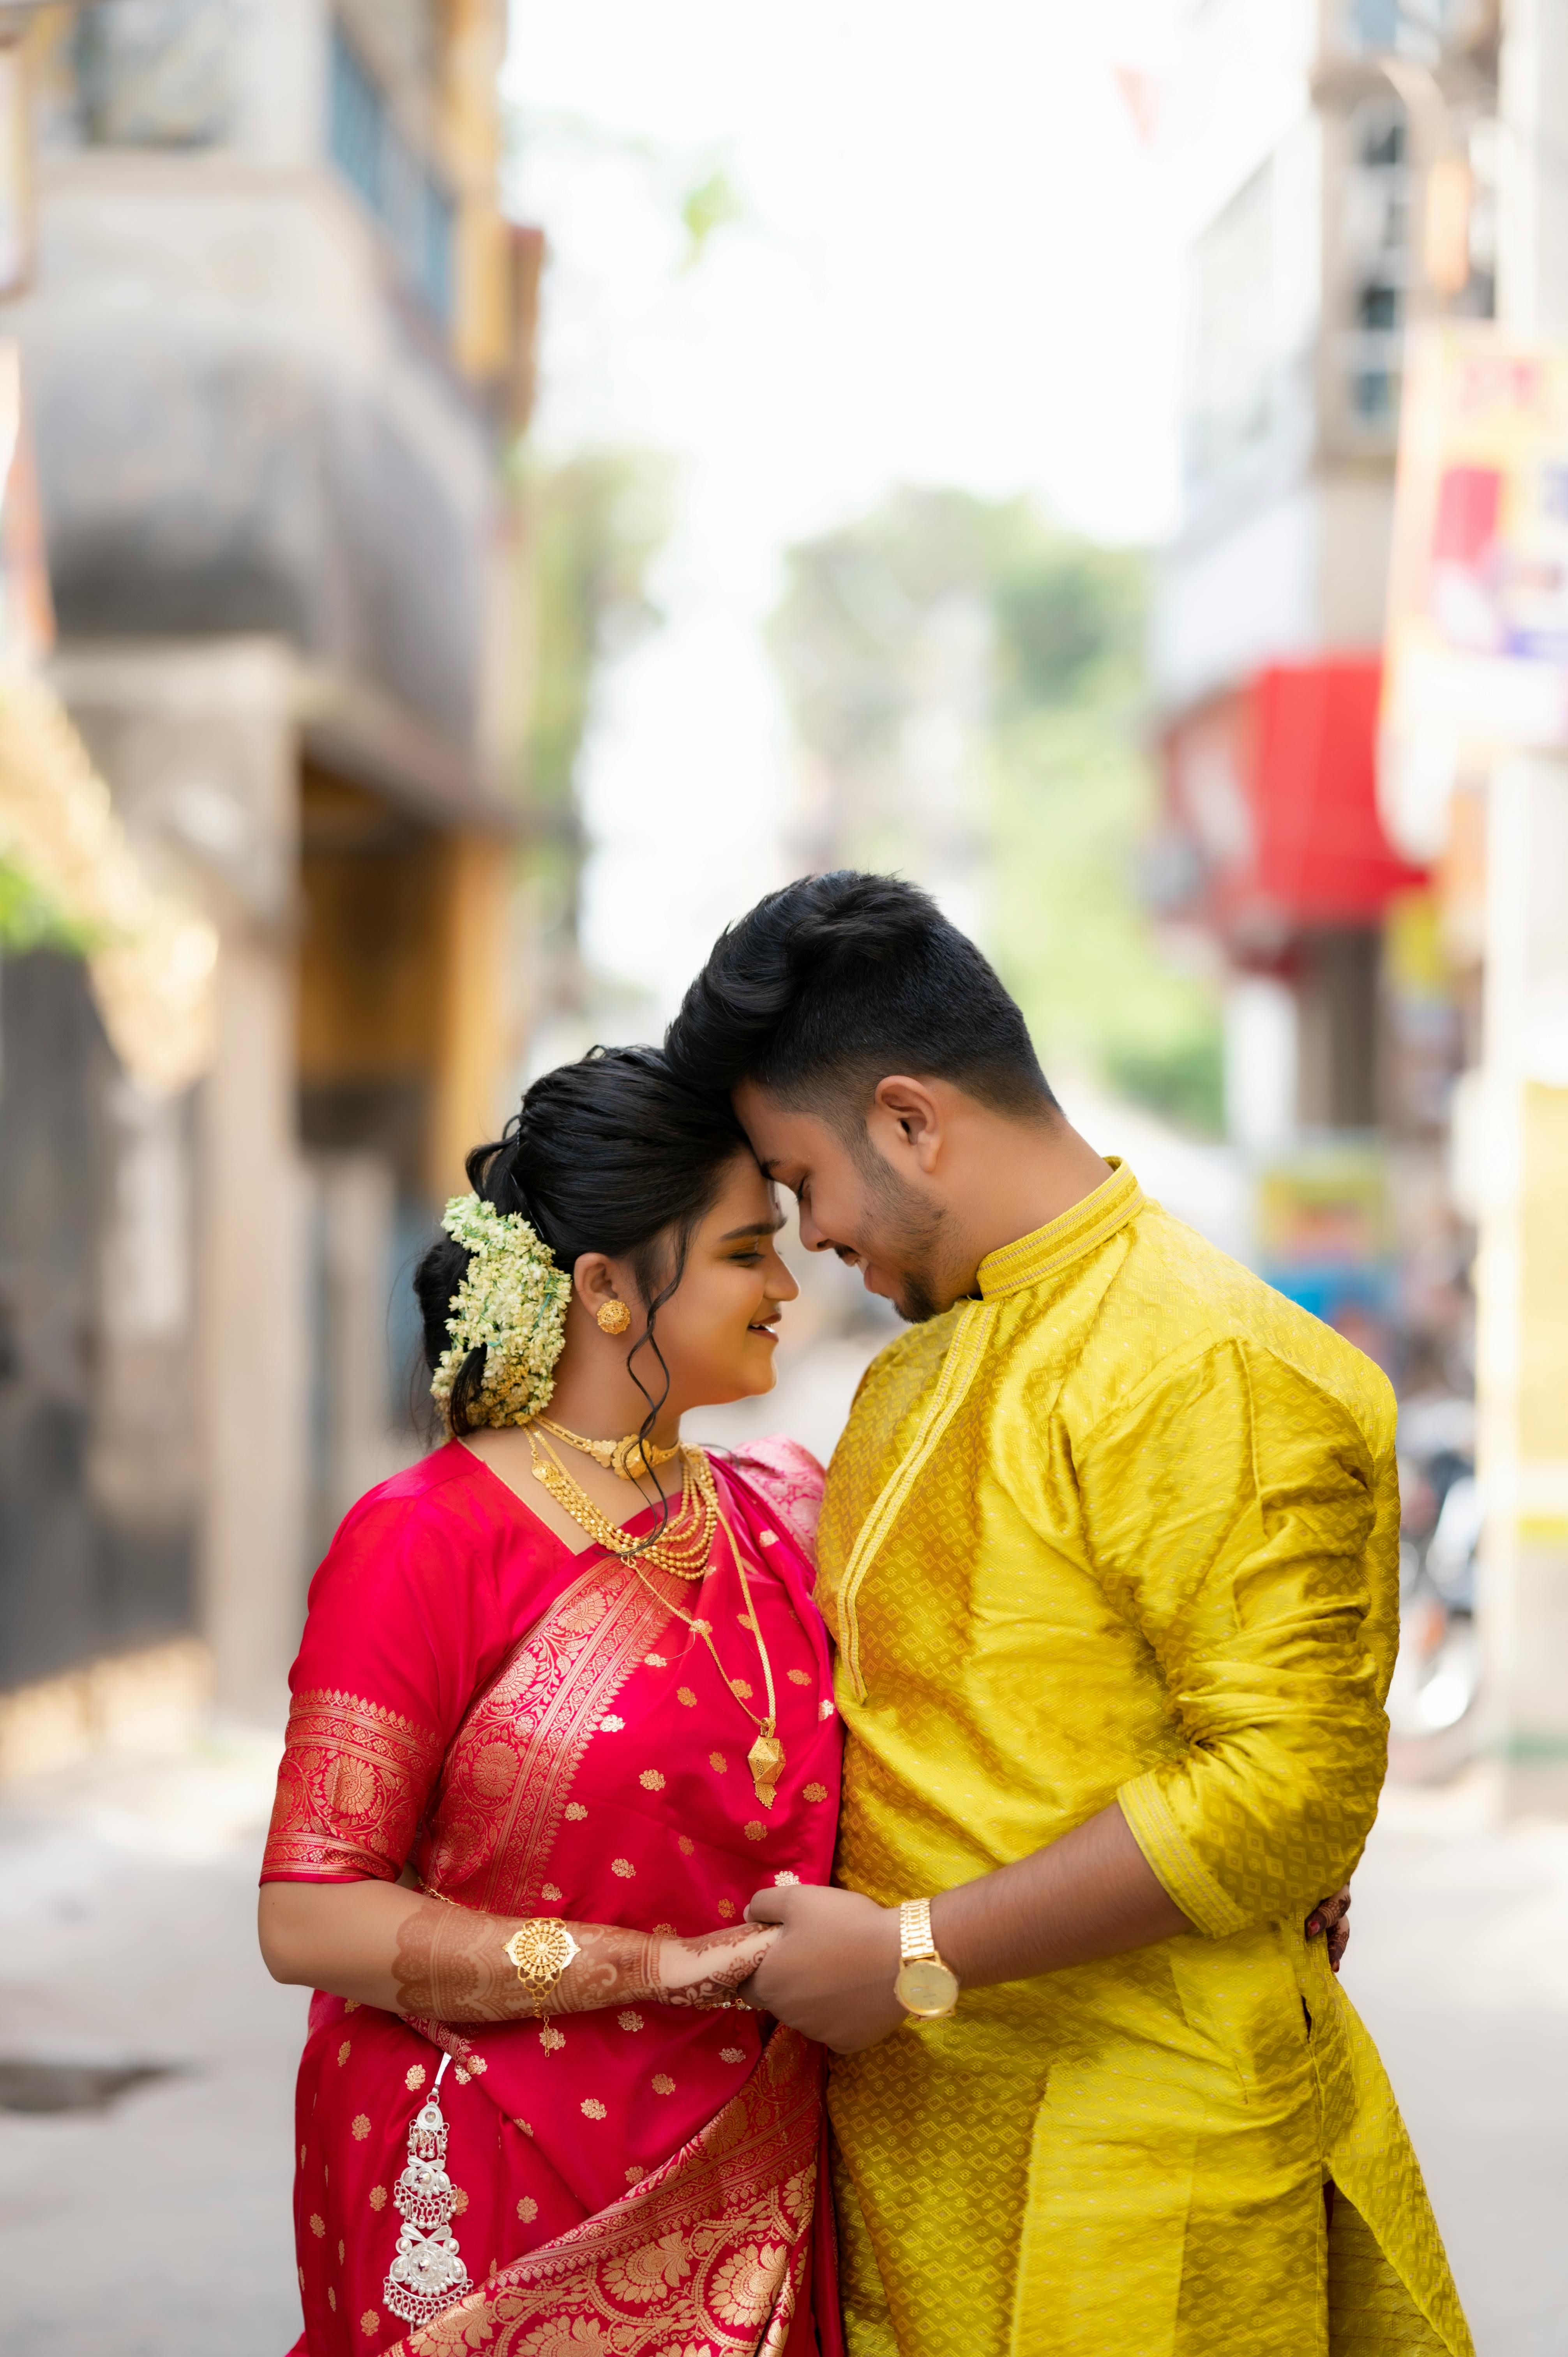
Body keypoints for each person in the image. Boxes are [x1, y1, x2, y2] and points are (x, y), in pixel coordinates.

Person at [664, 872, 1474, 2357]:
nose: (812, 1240)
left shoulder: (1214, 1363)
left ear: (910, 1122)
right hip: (905, 2164)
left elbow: (1282, 1784)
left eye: (801, 1184)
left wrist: (914, 1949)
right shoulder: (912, 1379)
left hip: (1142, 2173)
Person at [258, 1047, 844, 2357]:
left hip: (753, 2169)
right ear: (608, 1290)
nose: (788, 1287)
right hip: (487, 2175)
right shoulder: (424, 1539)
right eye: (749, 1251)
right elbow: (309, 1914)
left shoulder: (782, 1519)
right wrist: (654, 1969)